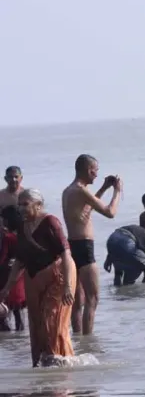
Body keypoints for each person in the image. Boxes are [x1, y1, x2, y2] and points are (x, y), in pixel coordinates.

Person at [0, 190, 76, 367]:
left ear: (38, 205)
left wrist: (66, 286)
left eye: (25, 204)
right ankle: (41, 367)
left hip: (58, 274)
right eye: (20, 204)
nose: (21, 208)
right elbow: (20, 259)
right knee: (36, 323)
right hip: (33, 276)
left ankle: (62, 364)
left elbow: (65, 253)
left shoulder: (50, 222)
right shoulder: (22, 226)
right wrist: (6, 289)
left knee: (52, 320)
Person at [62, 155, 121, 335]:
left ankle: (79, 340)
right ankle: (88, 342)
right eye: (95, 170)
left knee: (78, 301)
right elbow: (110, 212)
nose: (96, 175)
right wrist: (117, 191)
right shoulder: (80, 190)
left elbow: (86, 208)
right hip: (84, 247)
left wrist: (103, 187)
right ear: (88, 170)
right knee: (92, 298)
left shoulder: (69, 190)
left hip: (72, 245)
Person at [0, 206, 26, 331]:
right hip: (21, 275)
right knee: (19, 313)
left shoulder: (8, 237)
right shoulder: (25, 234)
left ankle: (7, 343)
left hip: (7, 276)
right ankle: (18, 340)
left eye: (4, 219)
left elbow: (3, 258)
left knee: (4, 314)